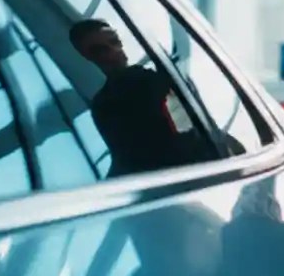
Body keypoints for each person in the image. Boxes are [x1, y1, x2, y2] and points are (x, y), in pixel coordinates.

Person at [69, 19, 221, 177]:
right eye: (99, 50)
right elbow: (187, 134)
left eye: (115, 42)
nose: (113, 51)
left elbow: (188, 132)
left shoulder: (161, 81)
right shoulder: (105, 104)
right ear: (87, 56)